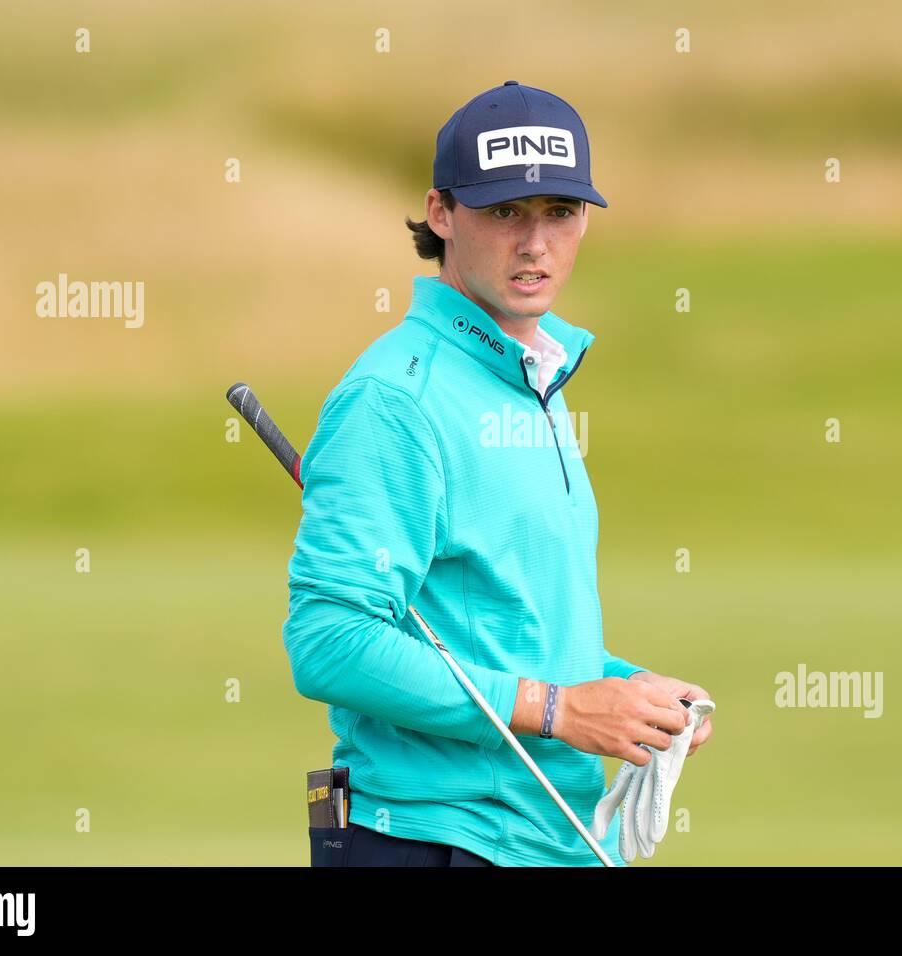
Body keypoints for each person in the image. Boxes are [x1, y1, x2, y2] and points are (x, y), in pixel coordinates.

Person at [284, 80, 713, 867]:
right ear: (441, 213)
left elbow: (498, 620)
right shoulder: (394, 398)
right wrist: (561, 708)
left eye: (560, 212)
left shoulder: (532, 379)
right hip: (433, 840)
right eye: (504, 211)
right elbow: (331, 640)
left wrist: (622, 693)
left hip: (548, 840)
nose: (535, 244)